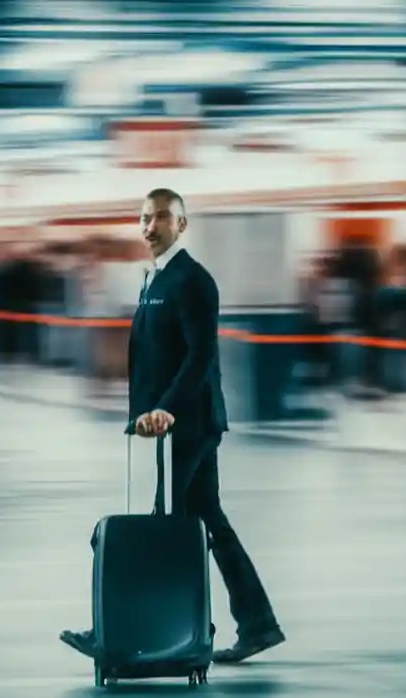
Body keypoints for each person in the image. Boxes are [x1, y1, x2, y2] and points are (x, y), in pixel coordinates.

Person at [60, 188, 286, 663]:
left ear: (181, 225)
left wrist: (165, 408)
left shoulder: (193, 280)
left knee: (170, 529)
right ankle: (255, 624)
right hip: (170, 426)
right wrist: (144, 412)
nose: (150, 225)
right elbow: (152, 356)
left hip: (191, 424)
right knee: (206, 524)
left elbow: (200, 355)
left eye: (161, 217)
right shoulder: (153, 280)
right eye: (144, 217)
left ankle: (133, 634)